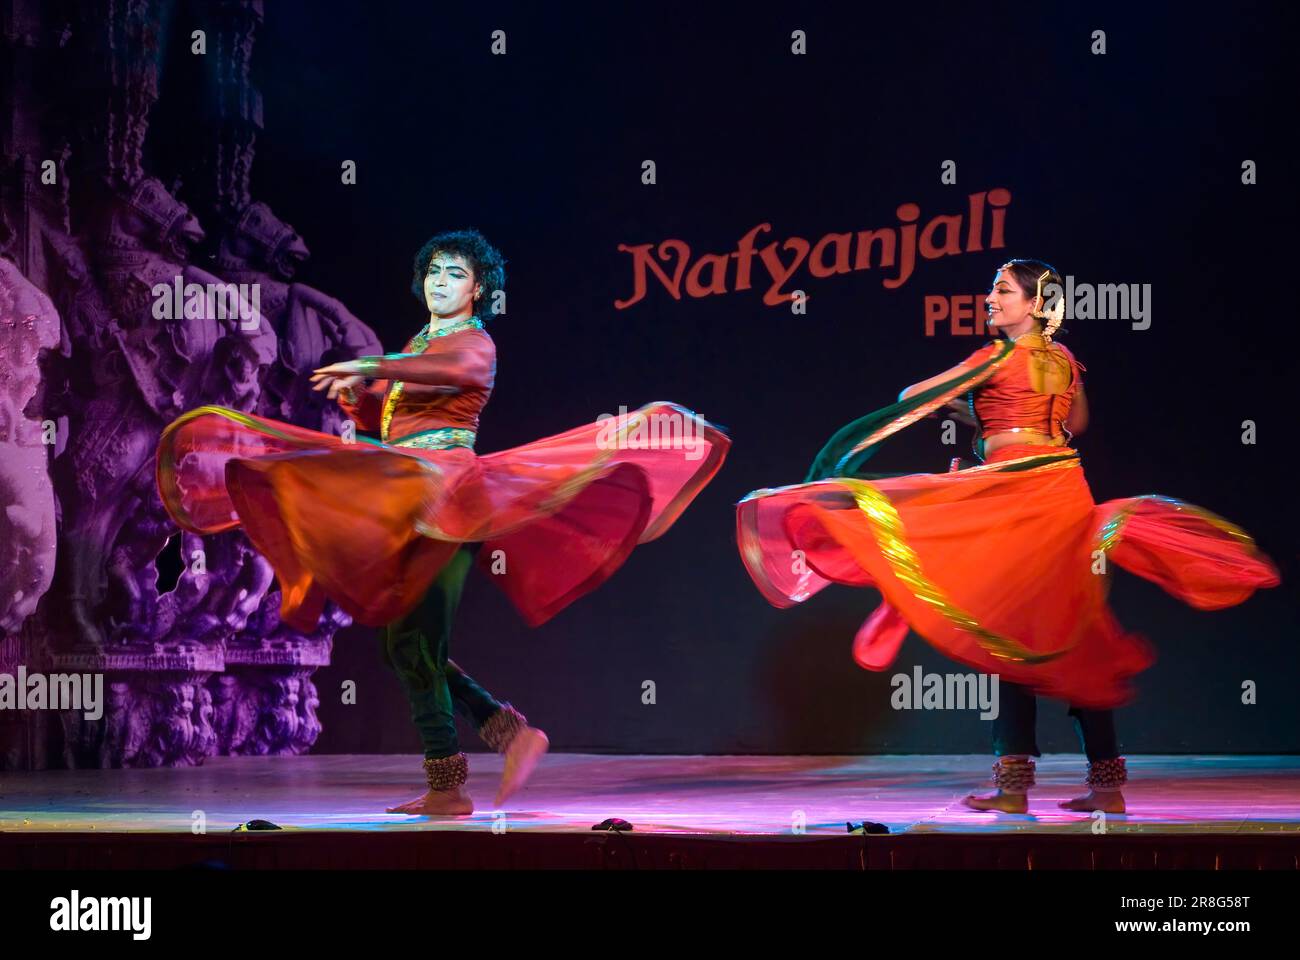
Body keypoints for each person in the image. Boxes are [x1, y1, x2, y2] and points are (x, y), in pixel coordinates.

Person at [157, 229, 730, 815]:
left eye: (455, 273)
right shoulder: (420, 345)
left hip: (450, 499)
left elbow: (451, 373)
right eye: (433, 270)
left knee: (414, 642)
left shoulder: (473, 342)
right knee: (403, 644)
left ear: (478, 288)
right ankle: (505, 733)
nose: (439, 281)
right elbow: (396, 421)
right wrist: (360, 396)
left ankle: (449, 785)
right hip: (410, 491)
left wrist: (374, 364)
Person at [735, 258, 1280, 814]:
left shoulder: (995, 356)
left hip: (1017, 498)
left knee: (1012, 637)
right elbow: (1073, 425)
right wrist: (987, 409)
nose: (990, 299)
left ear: (1035, 303)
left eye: (1002, 290)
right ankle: (1106, 787)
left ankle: (1014, 790)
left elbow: (910, 395)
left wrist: (965, 400)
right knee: (1069, 633)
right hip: (1066, 493)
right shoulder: (1066, 362)